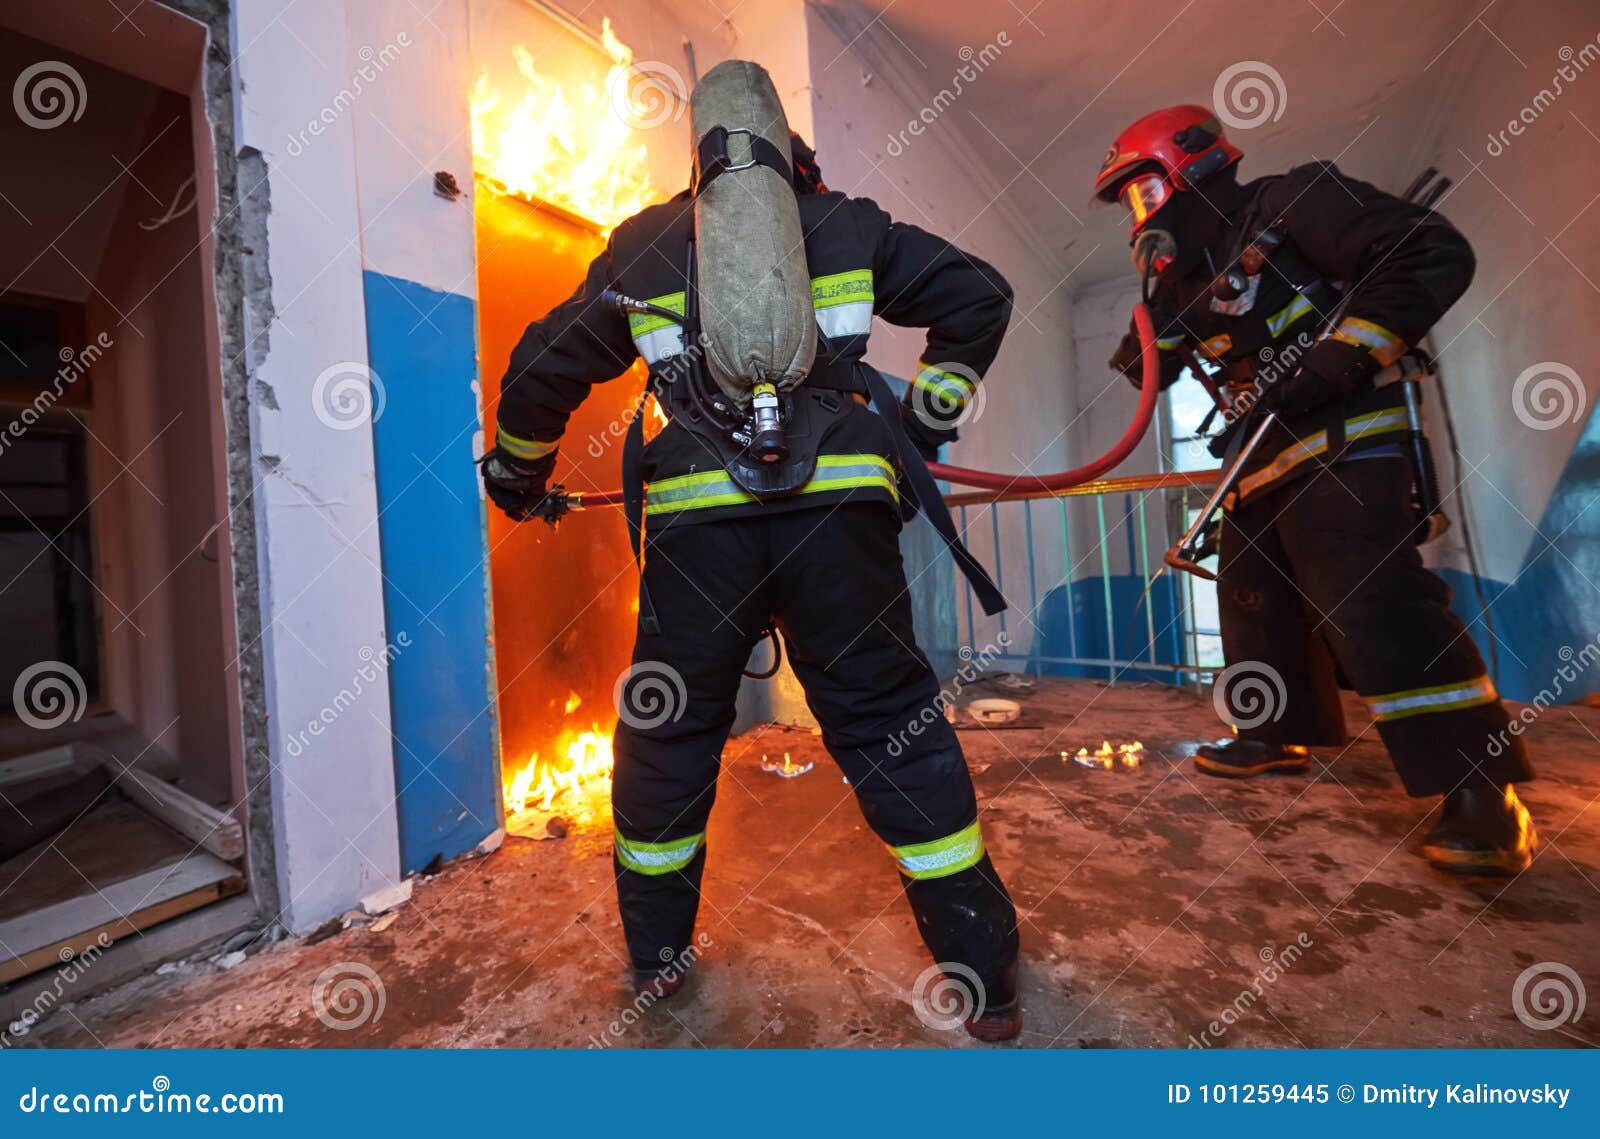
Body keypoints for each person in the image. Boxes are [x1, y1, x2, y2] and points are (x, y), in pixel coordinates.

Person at [480, 61, 1021, 1038]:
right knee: (887, 719)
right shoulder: (849, 223)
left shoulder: (646, 243)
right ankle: (986, 981)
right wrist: (925, 426)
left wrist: (518, 477)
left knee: (670, 732)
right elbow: (981, 295)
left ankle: (658, 964)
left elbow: (541, 369)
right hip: (841, 520)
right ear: (796, 168)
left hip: (698, 530)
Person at [1094, 105, 1536, 875]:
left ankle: (1480, 785)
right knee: (1251, 599)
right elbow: (1155, 363)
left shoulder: (1292, 200)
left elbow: (1431, 251)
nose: (1139, 217)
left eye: (1144, 192)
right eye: (1129, 204)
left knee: (1367, 598)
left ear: (1193, 167)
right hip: (1259, 452)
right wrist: (1146, 342)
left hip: (1349, 428)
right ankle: (1274, 732)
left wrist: (1341, 358)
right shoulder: (1181, 280)